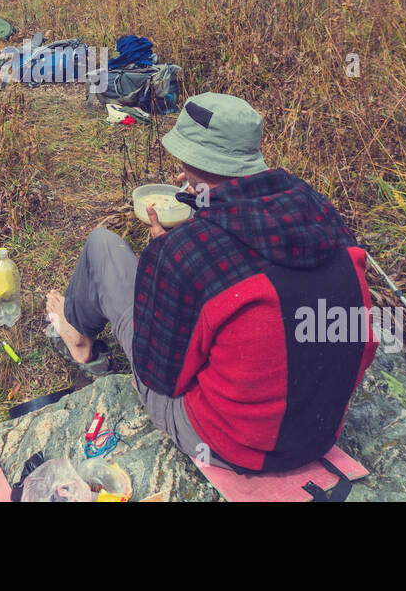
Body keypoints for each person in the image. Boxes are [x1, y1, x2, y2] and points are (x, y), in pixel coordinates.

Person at [46, 92, 377, 472]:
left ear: (187, 161)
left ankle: (80, 340)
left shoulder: (184, 255)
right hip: (319, 434)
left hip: (229, 444)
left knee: (102, 245)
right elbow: (363, 349)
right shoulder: (321, 215)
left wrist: (164, 264)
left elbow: (162, 378)